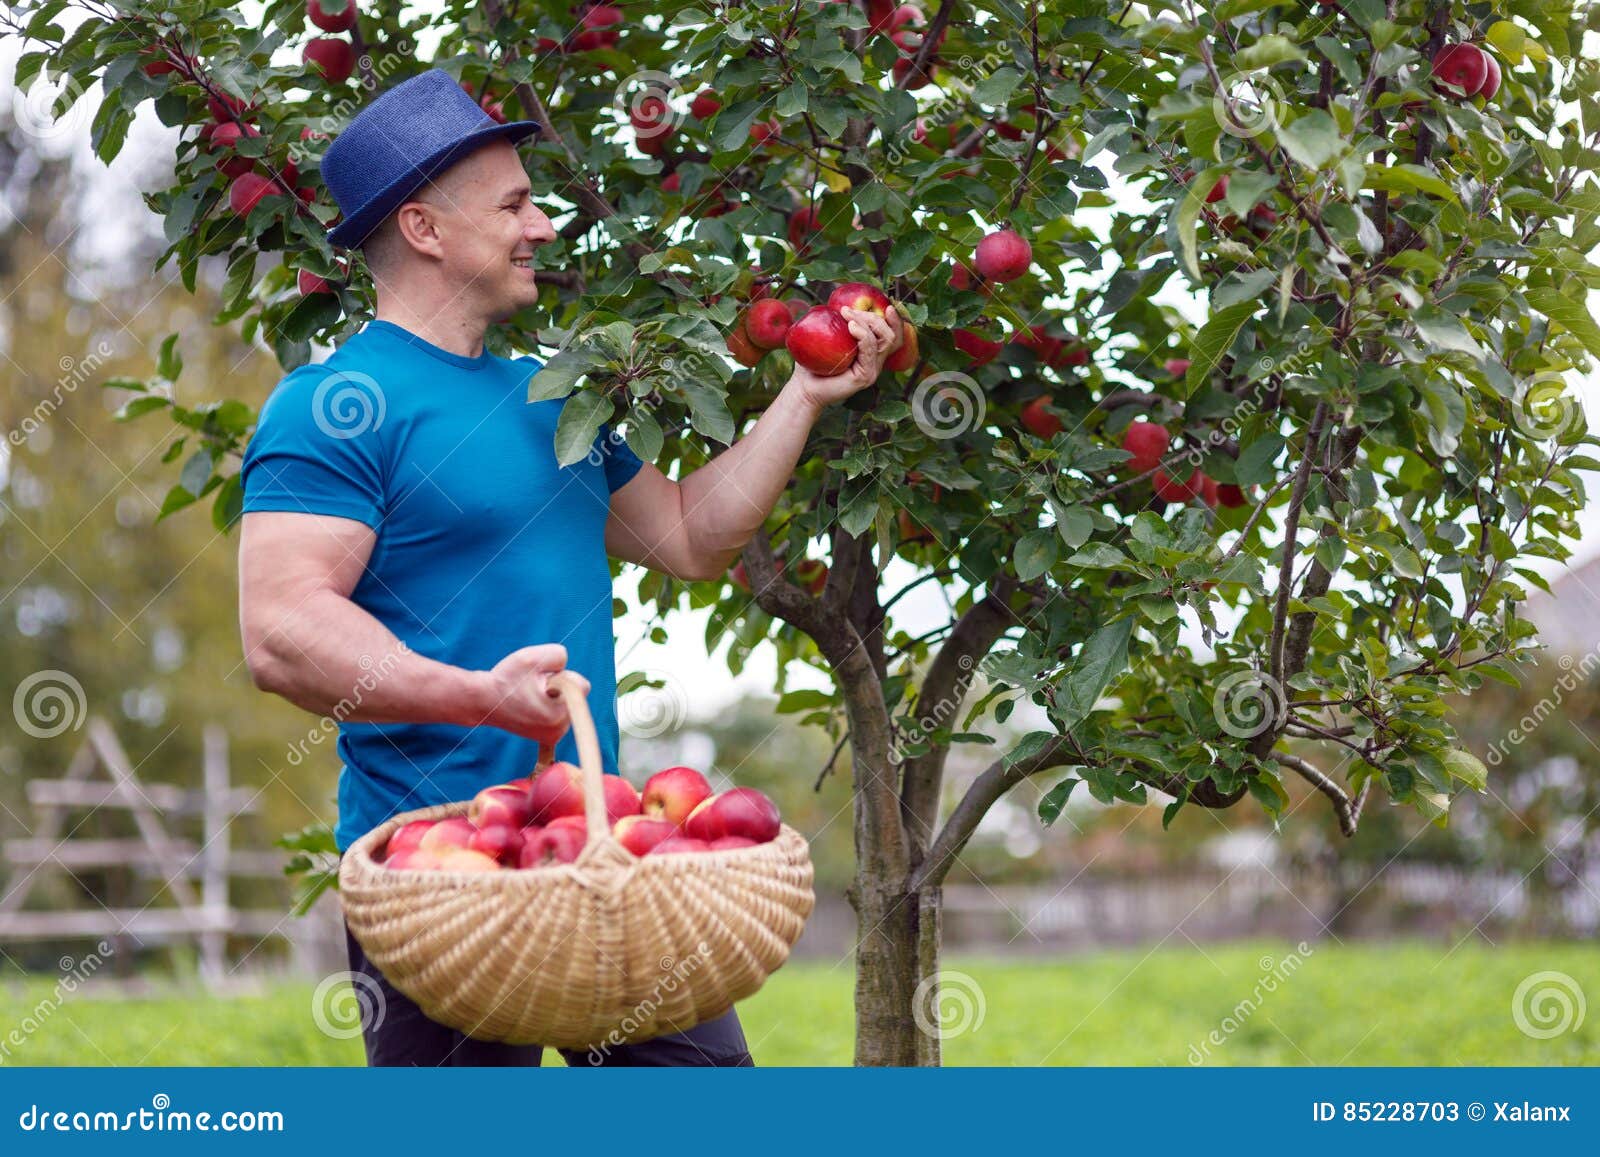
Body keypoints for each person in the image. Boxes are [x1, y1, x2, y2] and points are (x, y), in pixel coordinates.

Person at [236, 69, 899, 1066]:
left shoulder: (556, 396)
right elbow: (281, 633)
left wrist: (804, 394)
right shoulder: (333, 405)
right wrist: (477, 697)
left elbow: (686, 536)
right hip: (439, 875)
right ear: (424, 229)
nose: (543, 225)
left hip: (607, 849)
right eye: (514, 204)